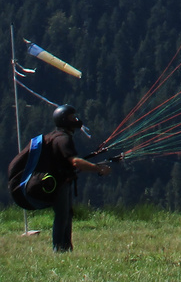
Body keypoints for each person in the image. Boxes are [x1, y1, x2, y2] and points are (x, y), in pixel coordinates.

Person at [43, 105, 111, 252]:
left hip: (59, 181)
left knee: (66, 214)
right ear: (64, 120)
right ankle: (59, 249)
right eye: (72, 117)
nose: (76, 120)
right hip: (59, 183)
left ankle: (65, 247)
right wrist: (98, 168)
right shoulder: (63, 139)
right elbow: (75, 161)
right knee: (62, 215)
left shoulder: (55, 136)